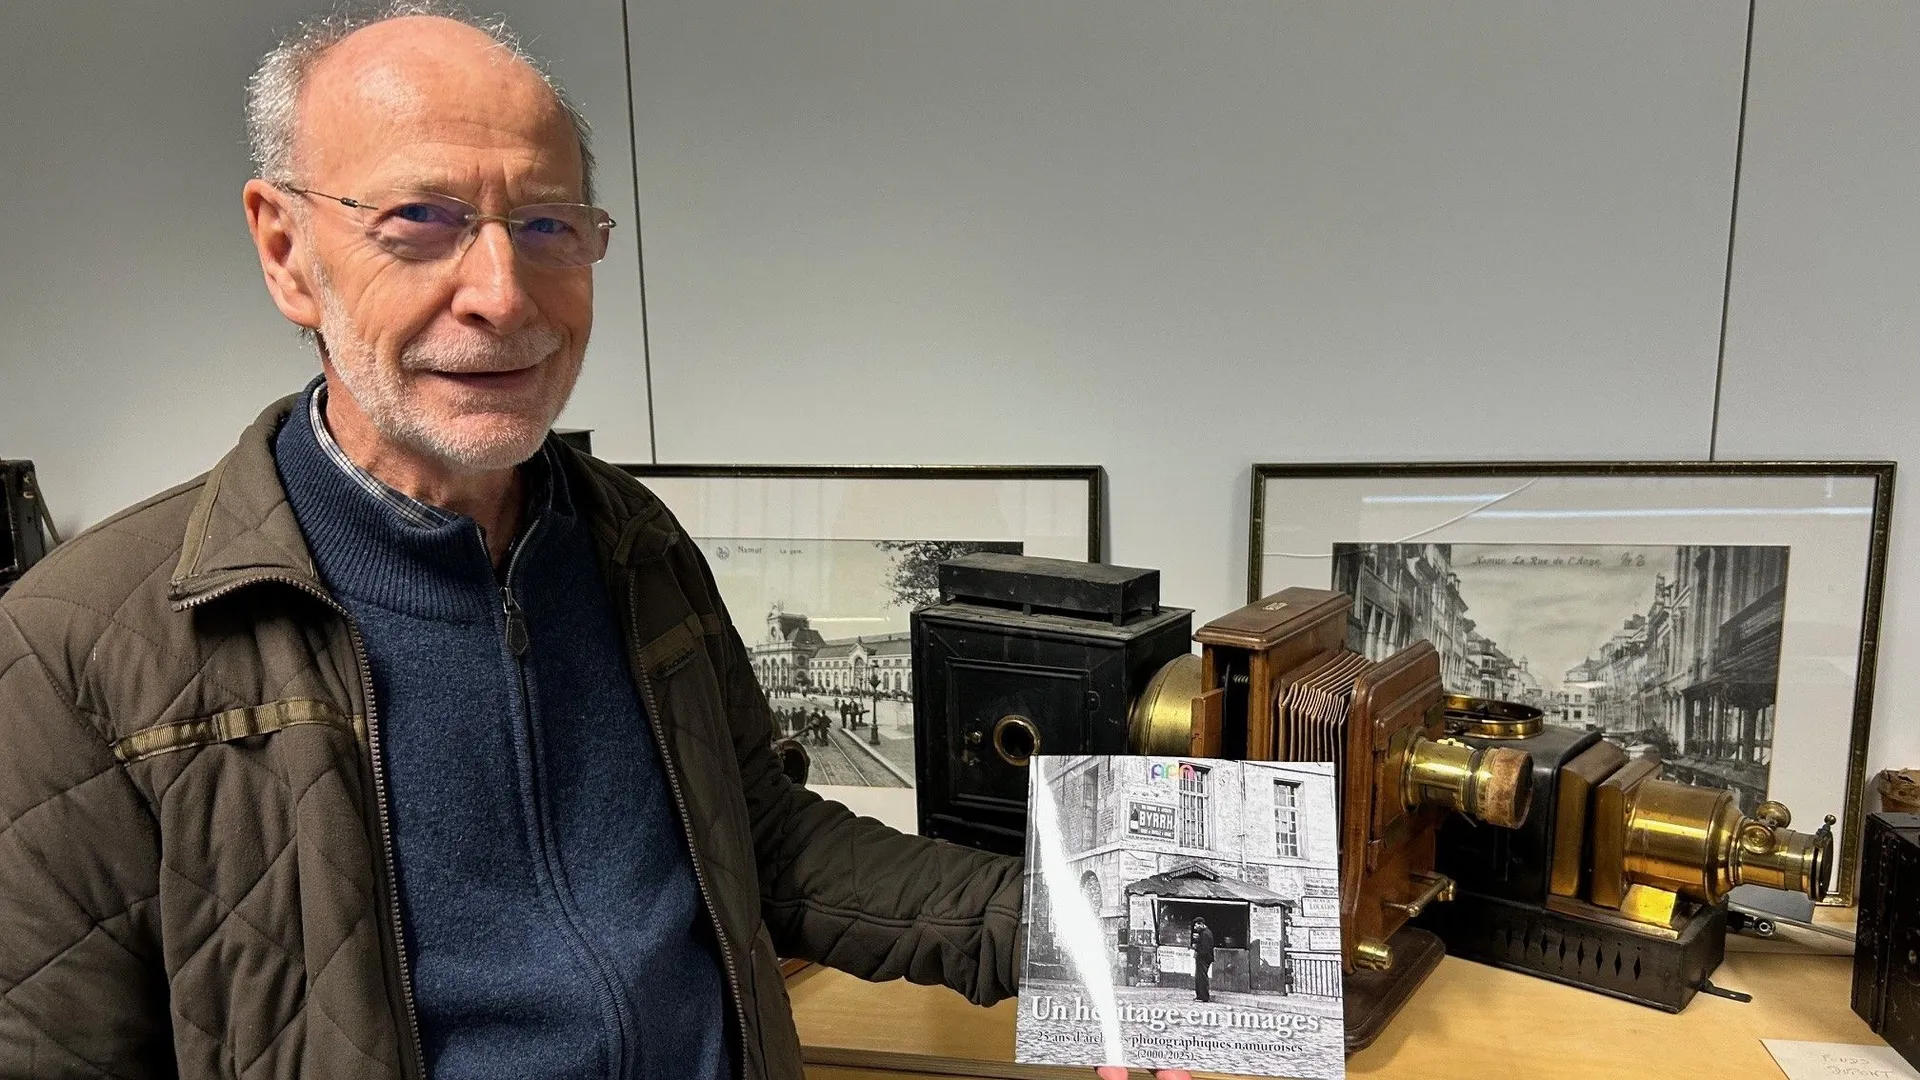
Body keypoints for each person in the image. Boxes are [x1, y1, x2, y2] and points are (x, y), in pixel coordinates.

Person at [0, 6, 1192, 1079]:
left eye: (547, 223)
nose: (504, 292)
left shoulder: (631, 541)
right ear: (286, 250)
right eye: (422, 220)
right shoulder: (78, 645)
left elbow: (769, 847)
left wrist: (1117, 936)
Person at [1192, 918, 1217, 1003]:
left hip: (1203, 959)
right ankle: (1200, 996)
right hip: (1203, 958)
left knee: (1202, 977)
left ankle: (1203, 997)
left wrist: (1197, 951)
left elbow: (1205, 948)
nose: (1195, 927)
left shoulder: (1205, 934)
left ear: (1201, 924)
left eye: (1196, 925)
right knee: (1200, 976)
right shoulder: (1205, 932)